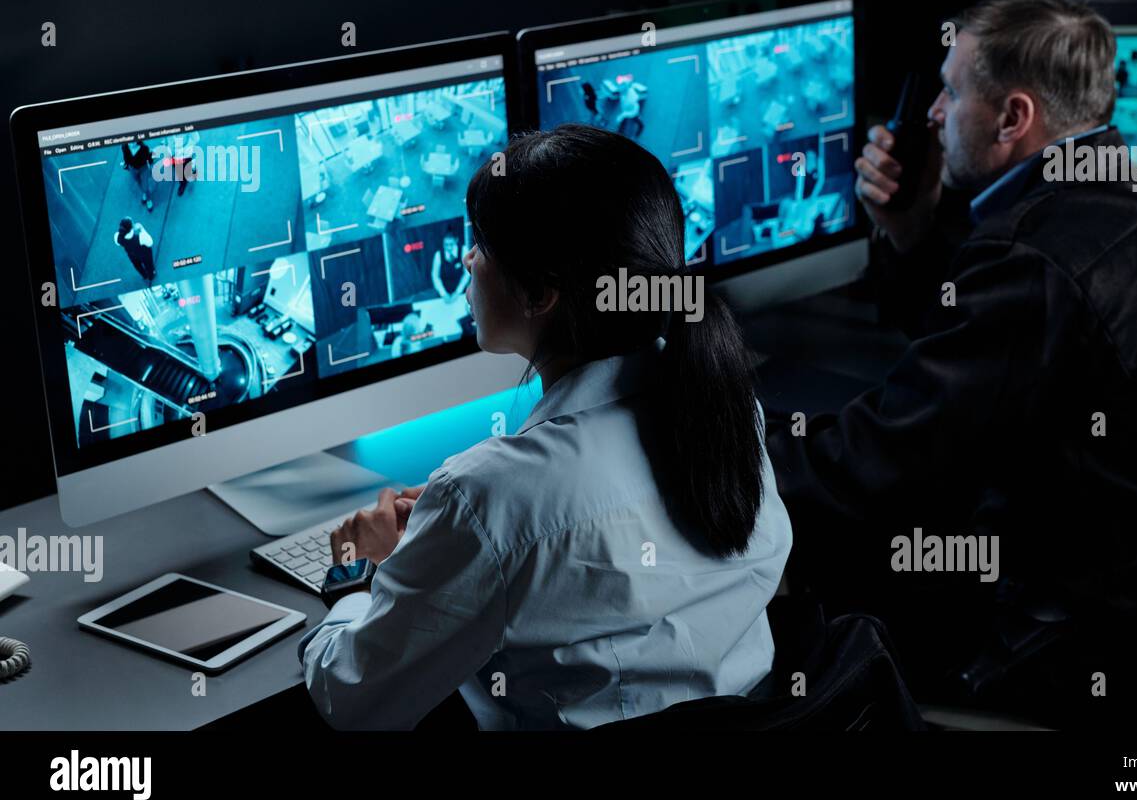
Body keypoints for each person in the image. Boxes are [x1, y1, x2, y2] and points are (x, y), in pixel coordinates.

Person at [765, 0, 1137, 729]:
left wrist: (729, 456)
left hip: (1068, 644)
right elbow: (1007, 352)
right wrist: (913, 232)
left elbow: (878, 461)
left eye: (951, 89)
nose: (933, 113)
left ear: (1012, 118)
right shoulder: (1132, 200)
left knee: (804, 599)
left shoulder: (1031, 254)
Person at [298, 124, 793, 730]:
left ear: (538, 294)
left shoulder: (489, 492)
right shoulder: (727, 408)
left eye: (479, 243)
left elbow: (352, 697)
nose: (467, 259)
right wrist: (458, 537)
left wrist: (359, 571)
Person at [430, 228, 469, 301]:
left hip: (461, 291)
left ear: (456, 241)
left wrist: (458, 292)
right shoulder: (438, 255)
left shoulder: (463, 250)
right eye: (446, 245)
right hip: (444, 292)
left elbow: (466, 274)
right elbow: (435, 276)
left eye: (451, 244)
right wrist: (443, 293)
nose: (448, 248)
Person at [113, 217, 155, 283]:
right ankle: (151, 275)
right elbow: (150, 243)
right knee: (148, 265)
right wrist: (141, 228)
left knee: (137, 265)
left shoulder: (117, 237)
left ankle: (144, 275)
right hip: (144, 254)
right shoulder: (140, 237)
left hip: (132, 255)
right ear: (132, 226)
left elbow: (119, 243)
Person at [121, 140, 154, 211]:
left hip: (143, 168)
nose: (132, 143)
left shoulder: (143, 147)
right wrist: (126, 165)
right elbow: (125, 157)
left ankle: (148, 199)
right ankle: (145, 193)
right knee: (138, 182)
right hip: (132, 168)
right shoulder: (124, 147)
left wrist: (150, 164)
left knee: (145, 186)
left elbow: (149, 157)